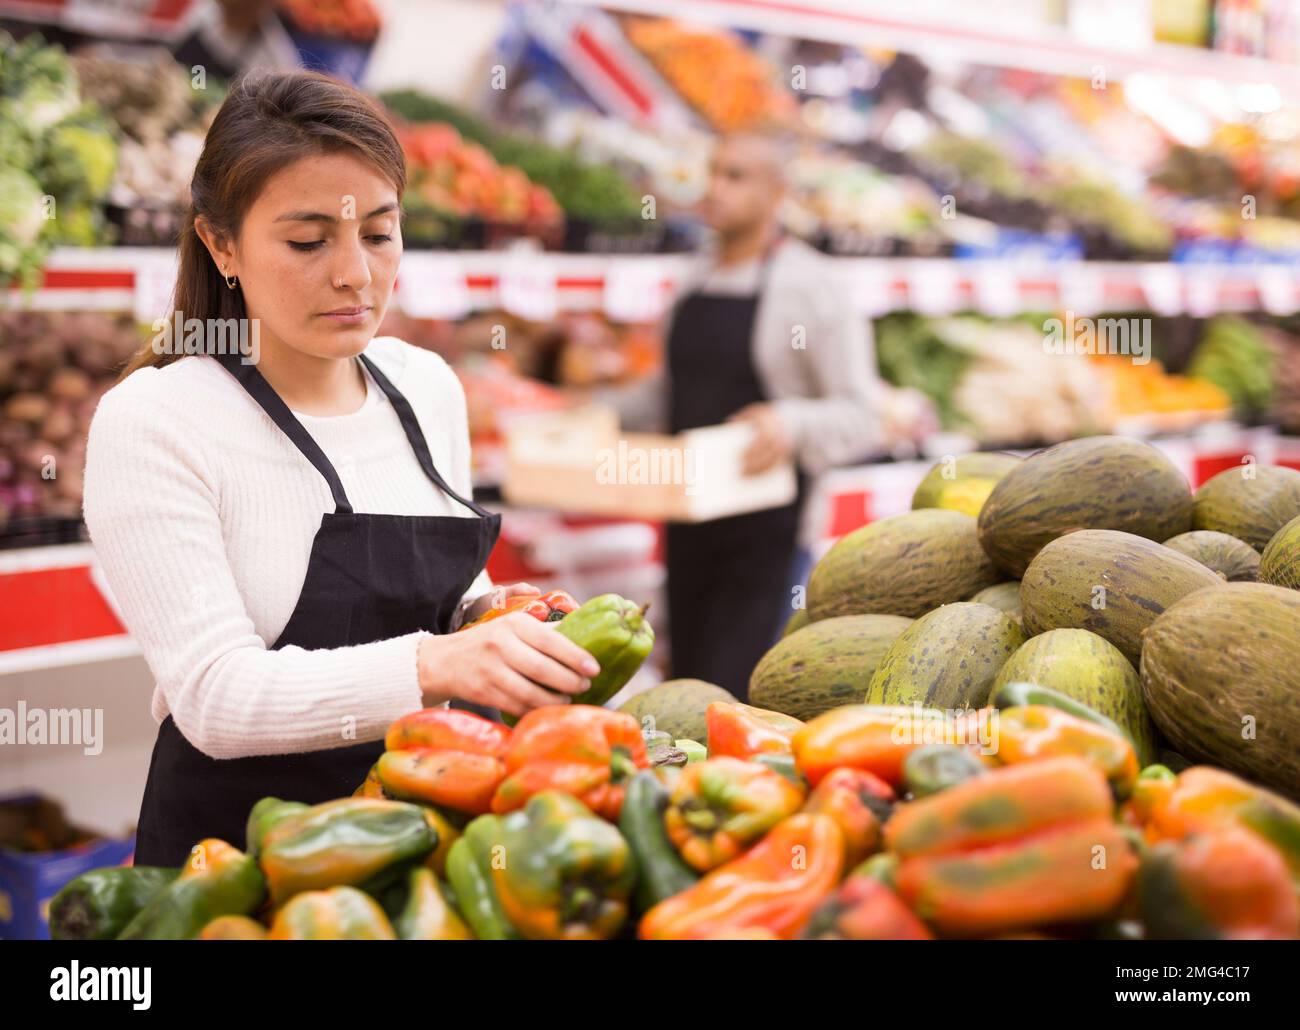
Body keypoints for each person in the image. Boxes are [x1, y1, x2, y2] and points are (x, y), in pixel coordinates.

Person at [83, 71, 598, 867]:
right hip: (237, 869)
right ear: (222, 244)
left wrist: (503, 622)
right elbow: (216, 698)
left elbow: (443, 604)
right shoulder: (158, 420)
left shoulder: (426, 386)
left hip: (418, 835)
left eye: (380, 233)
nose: (355, 273)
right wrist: (438, 661)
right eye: (307, 240)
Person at [603, 134, 908, 701]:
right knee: (684, 686)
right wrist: (581, 412)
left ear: (777, 193)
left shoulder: (815, 288)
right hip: (689, 518)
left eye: (736, 176)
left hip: (766, 530)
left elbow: (862, 415)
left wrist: (788, 423)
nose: (715, 189)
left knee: (740, 692)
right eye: (713, 172)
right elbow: (667, 394)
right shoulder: (696, 275)